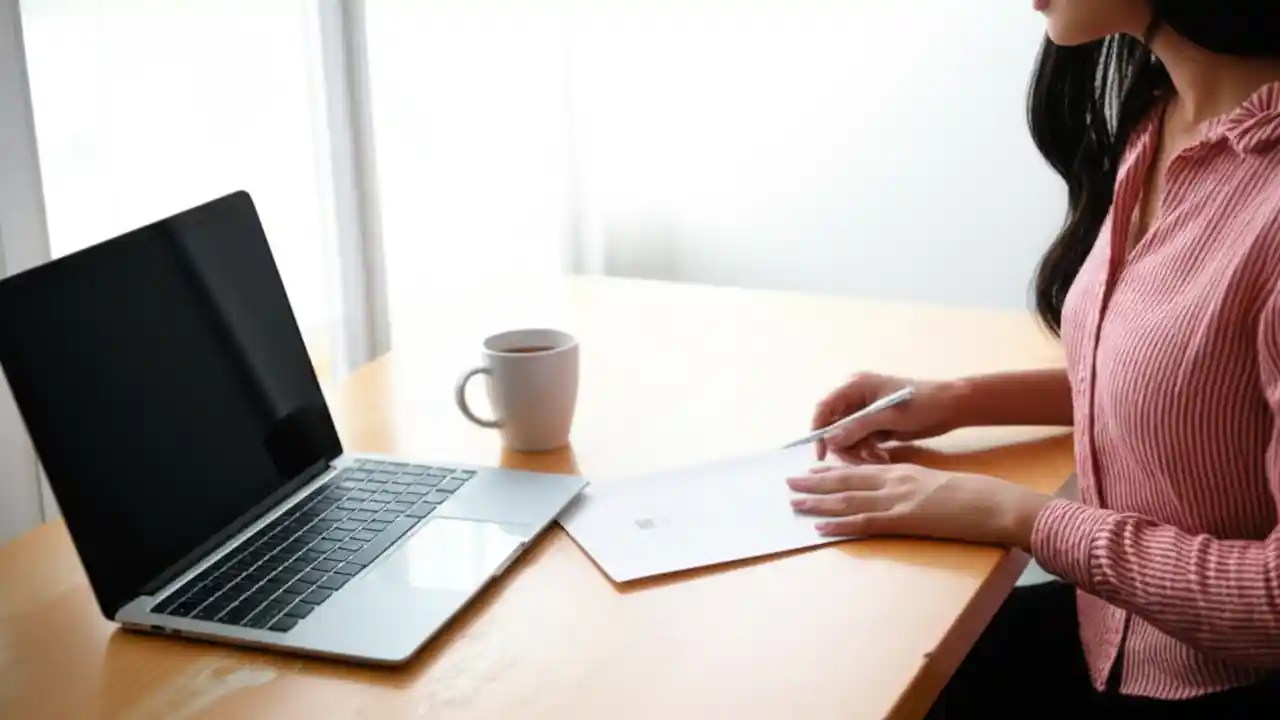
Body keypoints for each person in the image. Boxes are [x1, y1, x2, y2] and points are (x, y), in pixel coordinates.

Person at [793, 1, 1280, 717]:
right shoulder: (1164, 114)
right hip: (1109, 634)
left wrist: (1014, 517)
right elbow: (1186, 383)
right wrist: (955, 400)